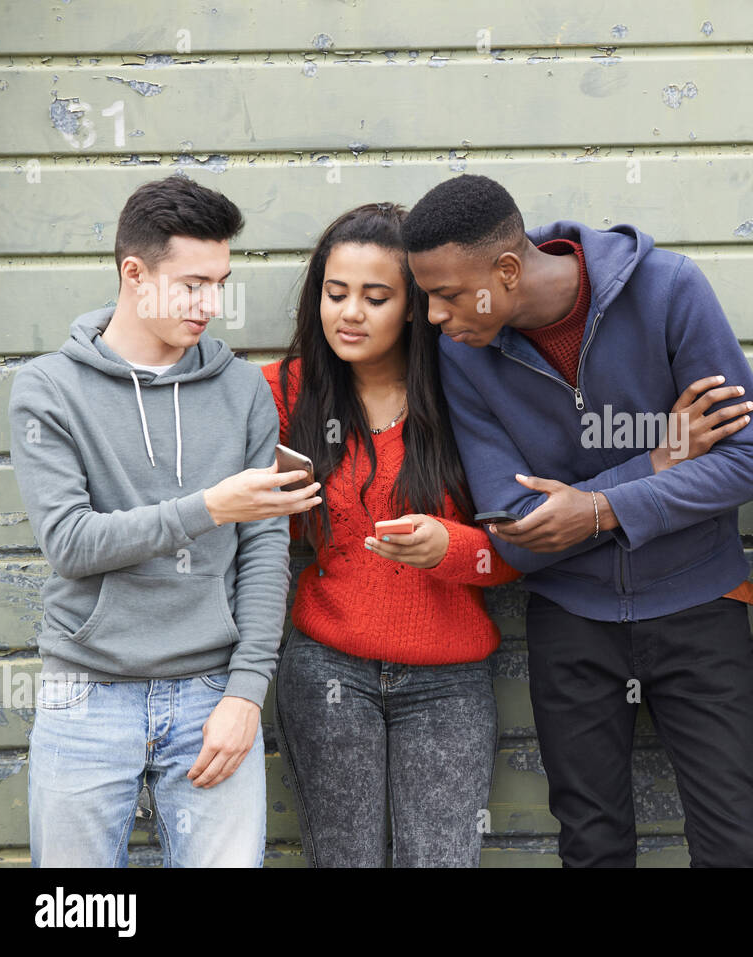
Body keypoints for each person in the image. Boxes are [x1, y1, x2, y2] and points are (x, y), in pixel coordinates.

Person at [402, 174, 753, 867]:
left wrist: (595, 508)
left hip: (700, 606)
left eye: (447, 293)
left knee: (734, 845)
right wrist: (656, 464)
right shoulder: (462, 353)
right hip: (570, 622)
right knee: (592, 849)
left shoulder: (668, 290)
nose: (431, 315)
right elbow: (515, 531)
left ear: (507, 270)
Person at [10, 175, 320, 867]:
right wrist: (211, 506)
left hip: (213, 693)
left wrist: (246, 693)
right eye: (192, 284)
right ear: (134, 272)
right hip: (87, 693)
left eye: (221, 282)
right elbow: (70, 542)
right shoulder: (49, 388)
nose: (212, 303)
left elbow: (266, 553)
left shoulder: (241, 389)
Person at [264, 202, 520, 868]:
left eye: (375, 297)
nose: (350, 312)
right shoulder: (286, 394)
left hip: (450, 681)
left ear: (412, 306)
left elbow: (521, 548)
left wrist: (453, 548)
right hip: (327, 669)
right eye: (335, 292)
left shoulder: (463, 396)